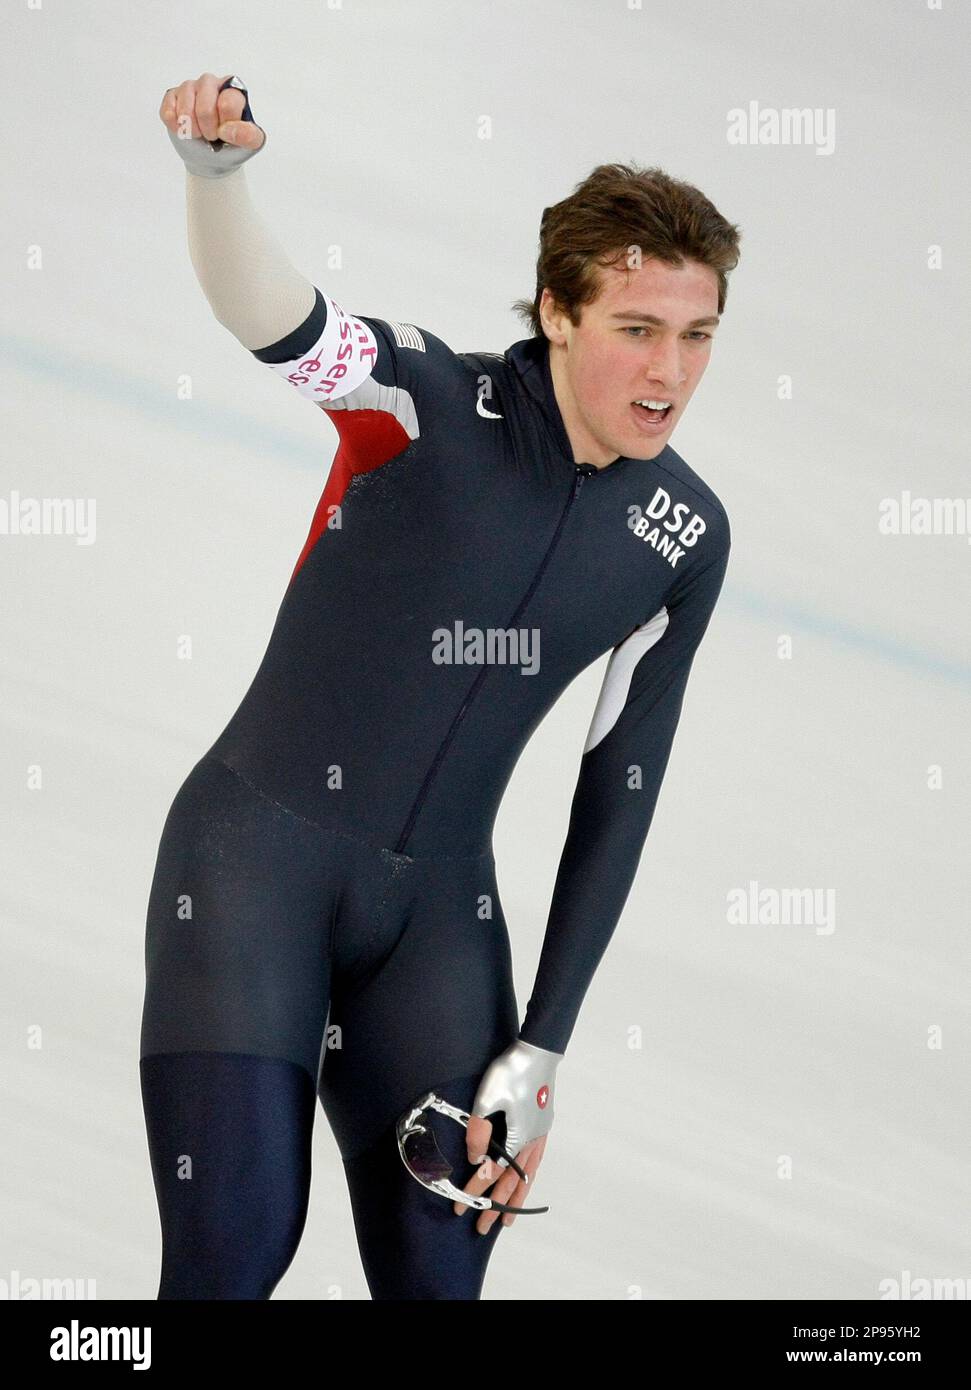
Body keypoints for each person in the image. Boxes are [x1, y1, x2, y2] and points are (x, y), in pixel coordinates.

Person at [140, 72, 741, 1300]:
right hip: (255, 864)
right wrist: (218, 178)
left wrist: (542, 1043)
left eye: (695, 335)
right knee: (235, 1251)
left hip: (437, 931)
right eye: (637, 327)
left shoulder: (684, 535)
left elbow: (619, 790)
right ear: (558, 312)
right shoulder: (426, 404)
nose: (668, 371)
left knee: (438, 1280)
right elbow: (278, 318)